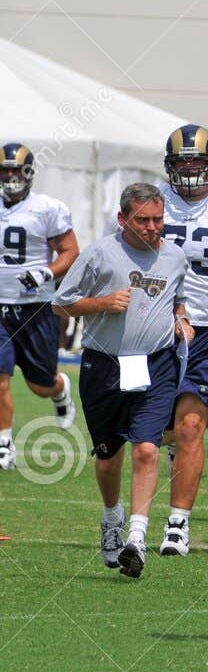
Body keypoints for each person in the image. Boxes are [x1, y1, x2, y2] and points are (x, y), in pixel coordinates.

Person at [52, 183, 191, 578]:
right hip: (104, 366)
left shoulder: (175, 256)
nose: (152, 228)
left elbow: (177, 296)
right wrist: (102, 303)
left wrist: (181, 317)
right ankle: (112, 517)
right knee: (109, 457)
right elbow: (61, 304)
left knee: (147, 449)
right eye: (142, 220)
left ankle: (136, 537)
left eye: (158, 220)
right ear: (123, 218)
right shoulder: (100, 252)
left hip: (156, 365)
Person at [149, 125, 208, 559]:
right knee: (154, 432)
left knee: (190, 426)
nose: (188, 169)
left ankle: (177, 525)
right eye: (181, 162)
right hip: (156, 328)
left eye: (196, 162)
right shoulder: (151, 204)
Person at [0, 142, 80, 472]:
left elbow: (70, 251)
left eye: (16, 170)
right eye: (5, 170)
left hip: (34, 307)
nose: (11, 176)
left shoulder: (48, 208)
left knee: (40, 384)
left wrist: (46, 271)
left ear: (29, 173)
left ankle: (60, 389)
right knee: (0, 378)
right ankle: (4, 443)